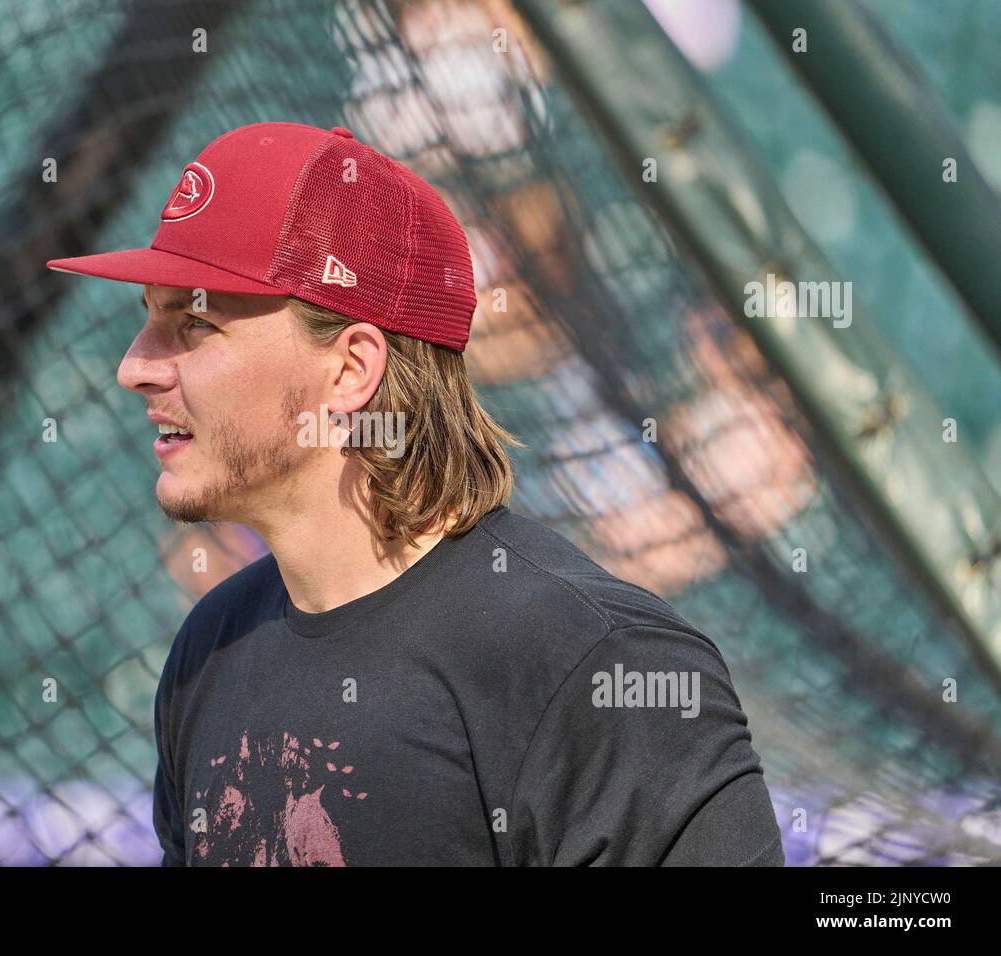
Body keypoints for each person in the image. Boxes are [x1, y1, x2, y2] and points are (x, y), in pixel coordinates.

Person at [47, 121, 784, 866]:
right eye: (147, 318)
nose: (135, 367)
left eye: (194, 322)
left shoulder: (597, 664)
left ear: (350, 370)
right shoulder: (212, 650)